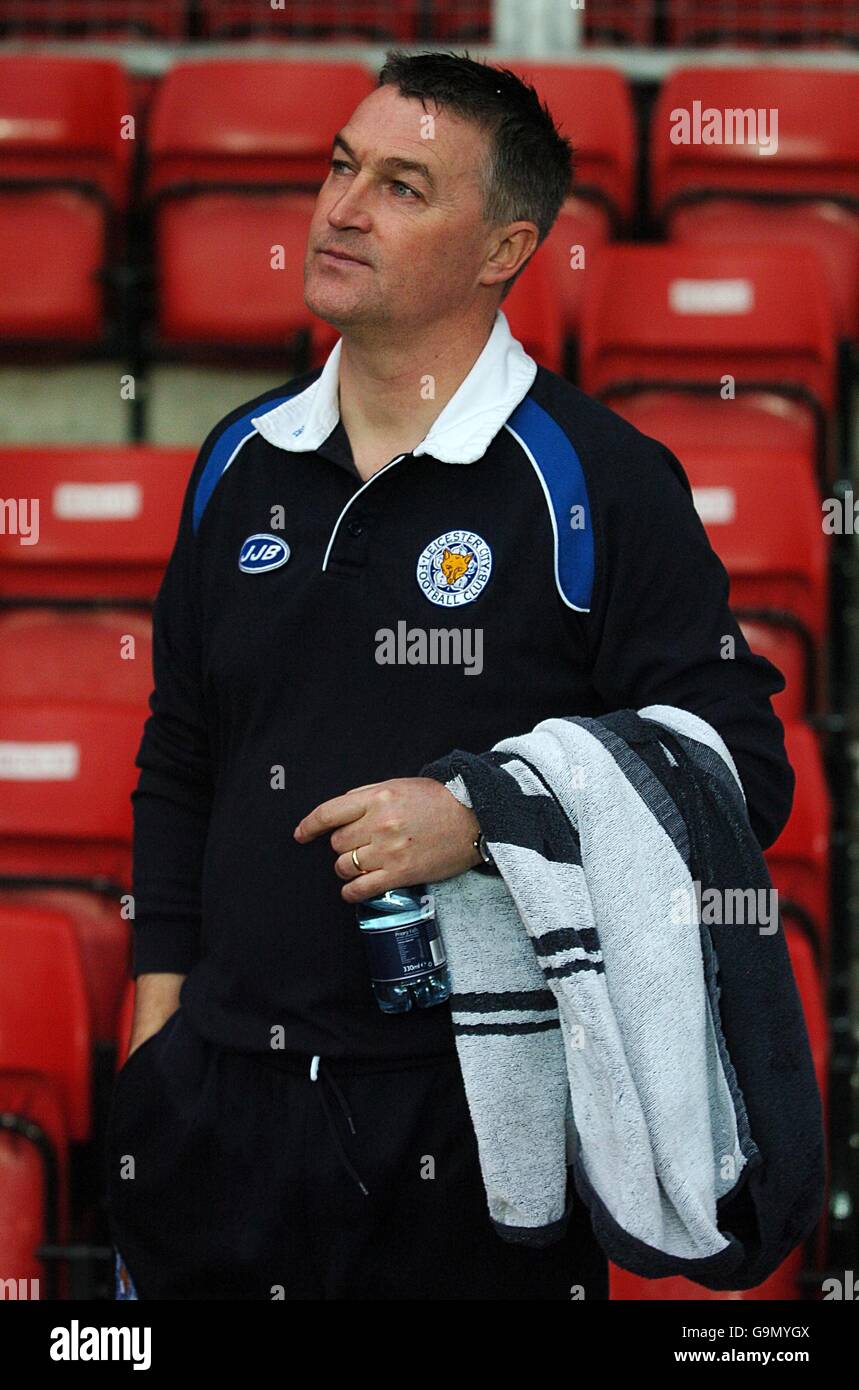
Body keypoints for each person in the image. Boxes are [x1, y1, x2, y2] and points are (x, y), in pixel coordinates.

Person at [104, 51, 794, 1301]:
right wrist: (158, 1040)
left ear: (501, 249)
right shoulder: (237, 458)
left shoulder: (601, 480)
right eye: (339, 166)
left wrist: (482, 815)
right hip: (217, 1111)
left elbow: (737, 774)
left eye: (404, 186)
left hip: (473, 1134)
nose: (342, 207)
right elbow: (182, 753)